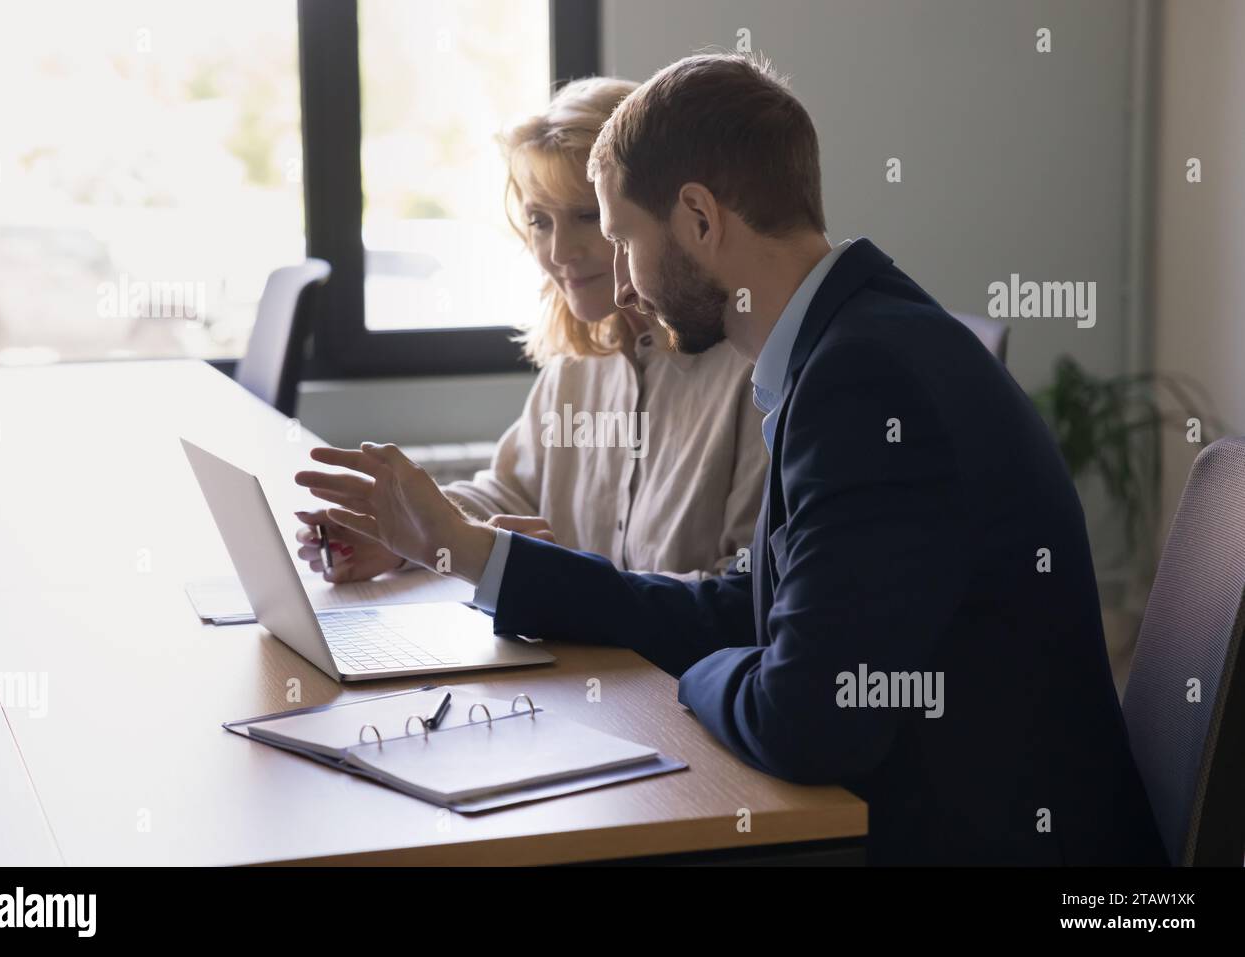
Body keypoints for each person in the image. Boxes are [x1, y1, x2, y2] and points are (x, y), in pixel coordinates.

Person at [294, 54, 1167, 866]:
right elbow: (739, 606)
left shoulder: (863, 381)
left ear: (701, 219)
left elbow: (805, 719)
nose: (623, 286)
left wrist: (692, 678)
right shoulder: (848, 342)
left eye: (625, 239)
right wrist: (481, 555)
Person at [295, 77, 765, 585]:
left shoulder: (753, 371)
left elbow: (741, 596)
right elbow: (508, 493)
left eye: (587, 216)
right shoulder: (577, 367)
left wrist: (540, 579)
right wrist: (401, 538)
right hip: (577, 660)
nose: (560, 253)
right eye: (539, 221)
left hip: (671, 667)